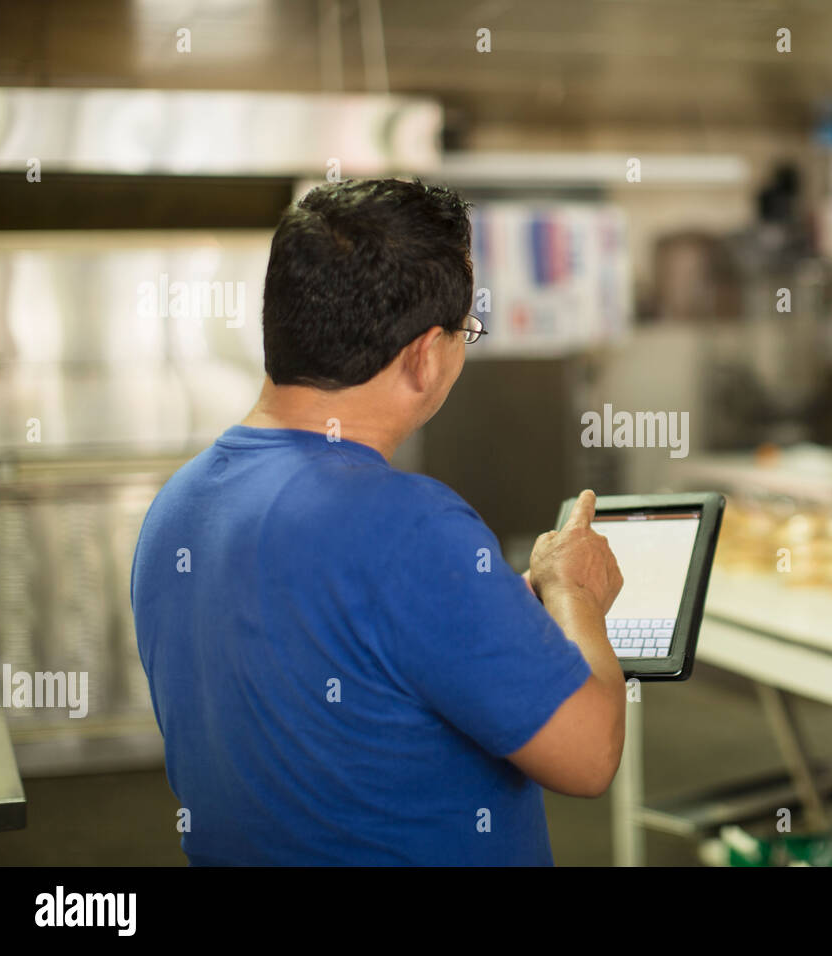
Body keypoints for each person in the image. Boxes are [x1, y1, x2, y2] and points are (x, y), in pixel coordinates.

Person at [131, 178, 625, 865]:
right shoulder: (410, 527)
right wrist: (577, 595)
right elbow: (590, 754)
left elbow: (339, 664)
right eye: (466, 333)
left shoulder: (178, 505)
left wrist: (496, 608)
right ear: (425, 356)